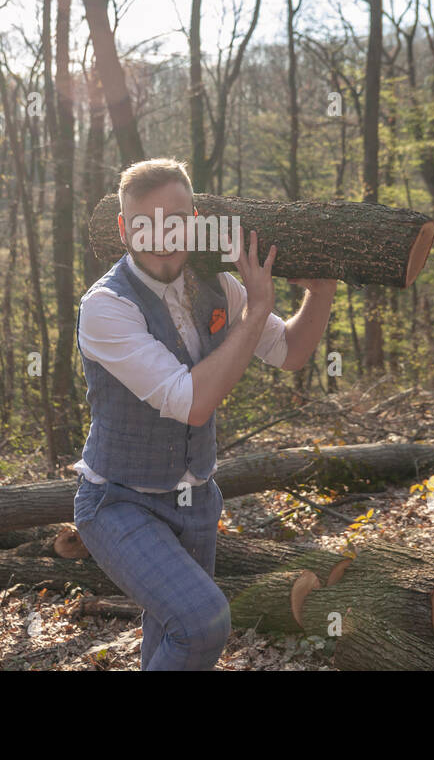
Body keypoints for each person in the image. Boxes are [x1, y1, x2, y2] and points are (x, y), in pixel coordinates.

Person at [73, 157, 337, 670]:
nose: (161, 233)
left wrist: (319, 294)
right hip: (118, 502)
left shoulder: (217, 285)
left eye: (174, 218)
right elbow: (191, 404)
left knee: (172, 634)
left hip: (196, 498)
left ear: (193, 221)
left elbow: (291, 352)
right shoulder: (106, 306)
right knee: (203, 622)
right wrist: (256, 310)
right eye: (145, 222)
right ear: (125, 230)